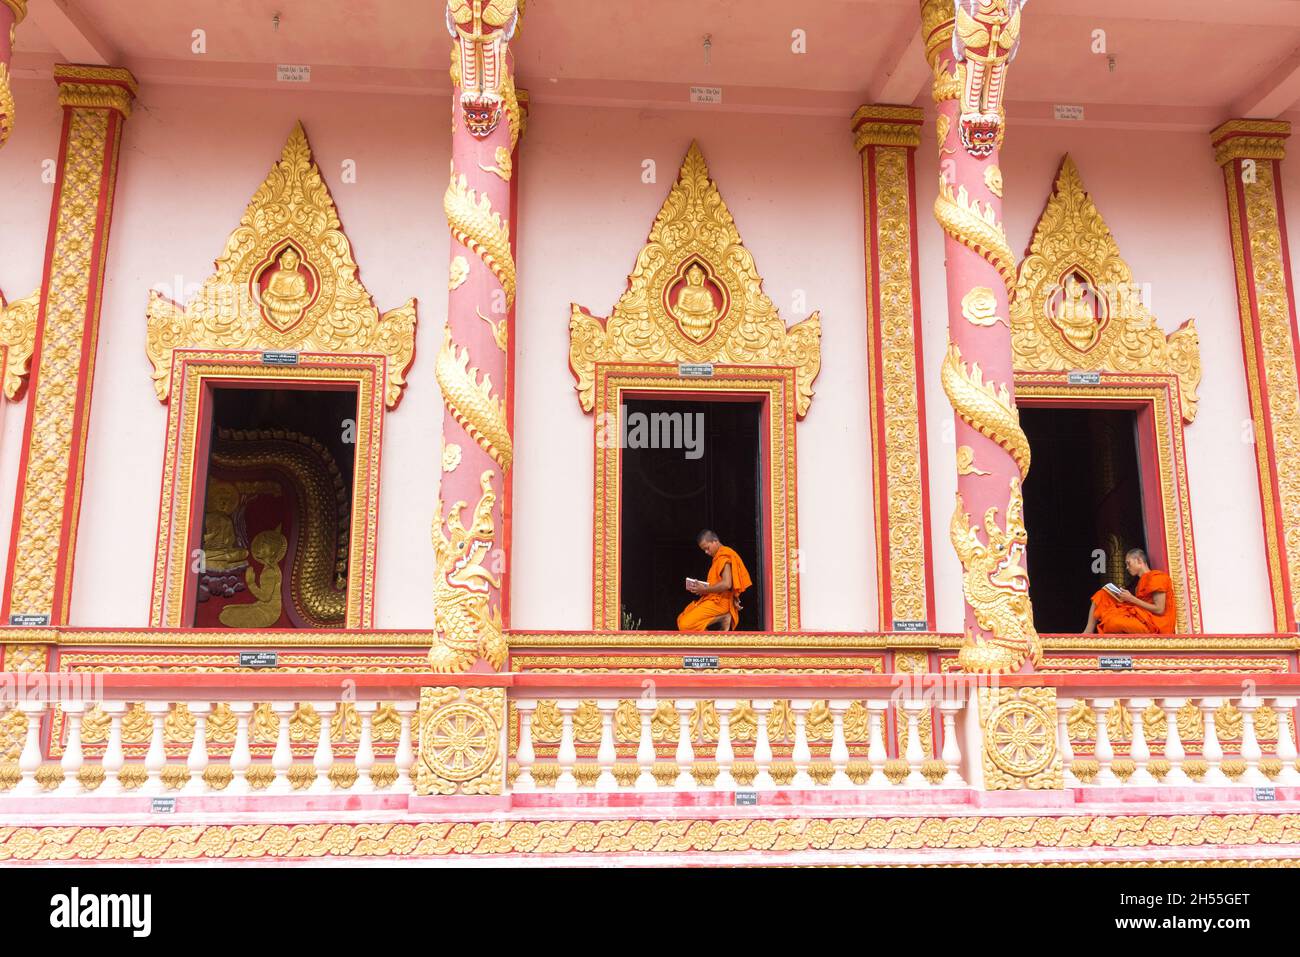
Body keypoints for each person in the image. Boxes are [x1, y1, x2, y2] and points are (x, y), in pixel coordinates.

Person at [1083, 547, 1176, 634]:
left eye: (1128, 563)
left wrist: (1131, 599)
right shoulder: (1140, 584)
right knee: (1102, 594)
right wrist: (1125, 598)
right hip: (1141, 616)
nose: (1127, 567)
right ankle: (1087, 632)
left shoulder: (1157, 578)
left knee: (1112, 622)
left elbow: (1159, 609)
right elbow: (1140, 606)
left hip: (1154, 624)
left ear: (1139, 561)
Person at [677, 530, 752, 631]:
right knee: (681, 618)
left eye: (707, 548)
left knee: (685, 625)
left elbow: (727, 584)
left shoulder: (724, 556)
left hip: (720, 603)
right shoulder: (718, 558)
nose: (706, 552)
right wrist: (702, 588)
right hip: (714, 599)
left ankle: (724, 617)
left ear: (715, 541)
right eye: (704, 550)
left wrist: (704, 590)